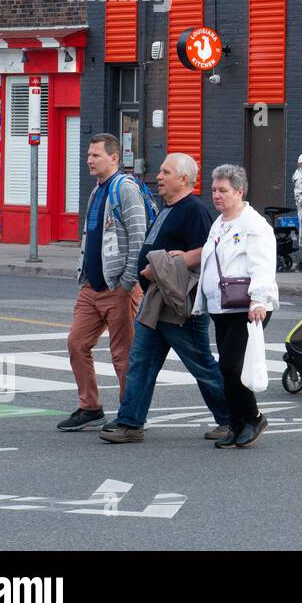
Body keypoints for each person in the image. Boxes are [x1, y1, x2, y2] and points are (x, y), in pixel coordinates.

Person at [99, 154, 229, 444]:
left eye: (165, 172)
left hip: (180, 303)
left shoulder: (193, 210)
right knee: (141, 361)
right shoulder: (169, 208)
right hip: (157, 300)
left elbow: (205, 253)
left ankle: (233, 419)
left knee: (201, 365)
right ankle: (130, 423)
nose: (158, 176)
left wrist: (159, 267)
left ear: (183, 178)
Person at [60, 134, 147, 432]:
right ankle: (90, 407)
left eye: (95, 155)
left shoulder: (126, 189)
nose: (89, 159)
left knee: (123, 355)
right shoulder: (97, 190)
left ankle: (129, 415)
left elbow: (139, 237)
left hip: (119, 288)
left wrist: (127, 282)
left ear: (114, 158)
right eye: (88, 154)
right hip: (92, 286)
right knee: (76, 342)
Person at [196, 165, 280, 447]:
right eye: (214, 190)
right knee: (226, 369)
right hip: (222, 307)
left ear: (239, 192)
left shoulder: (254, 225)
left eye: (223, 191)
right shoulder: (219, 223)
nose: (216, 195)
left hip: (246, 307)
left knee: (232, 367)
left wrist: (259, 299)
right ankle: (236, 423)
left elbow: (263, 264)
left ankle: (254, 418)